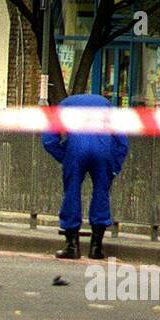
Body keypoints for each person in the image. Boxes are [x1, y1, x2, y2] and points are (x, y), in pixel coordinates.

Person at [41, 93, 129, 260]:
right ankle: (96, 248)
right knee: (101, 193)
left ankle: (72, 246)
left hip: (76, 149)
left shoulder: (65, 105)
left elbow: (48, 140)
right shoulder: (106, 104)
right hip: (104, 149)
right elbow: (122, 143)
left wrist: (64, 155)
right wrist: (114, 168)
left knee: (72, 193)